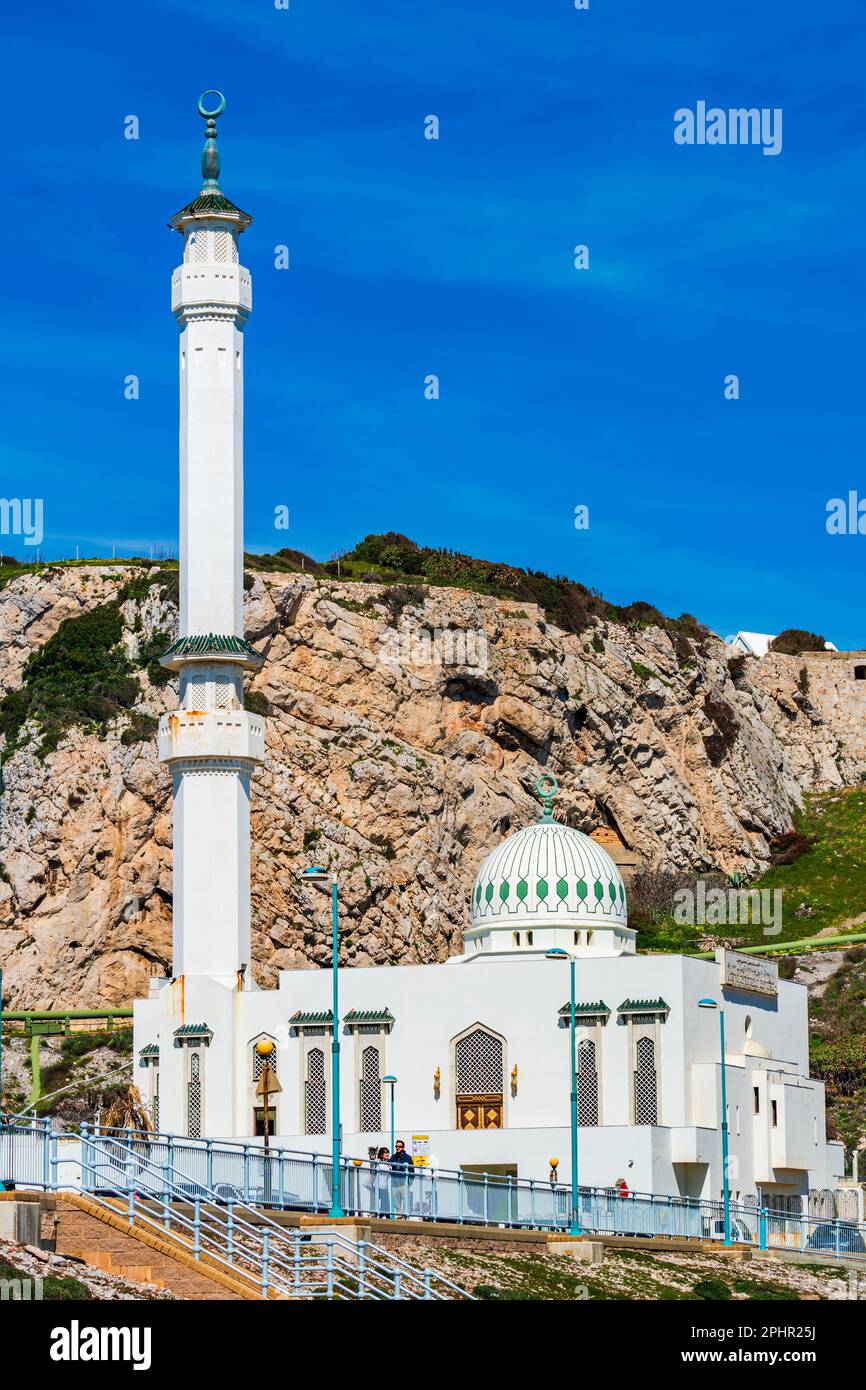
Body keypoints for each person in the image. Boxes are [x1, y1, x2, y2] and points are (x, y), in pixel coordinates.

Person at [390, 1139, 415, 1216]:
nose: (398, 1148)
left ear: (403, 1147)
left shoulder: (408, 1158)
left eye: (400, 1146)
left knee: (406, 1202)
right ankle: (399, 1218)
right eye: (396, 1146)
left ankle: (407, 1218)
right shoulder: (393, 1157)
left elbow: (412, 1171)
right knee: (397, 1204)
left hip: (404, 1184)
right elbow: (386, 1165)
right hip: (395, 1184)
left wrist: (409, 1183)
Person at [374, 1146, 391, 1215]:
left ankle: (385, 1216)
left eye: (388, 1153)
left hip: (385, 1186)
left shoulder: (389, 1164)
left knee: (385, 1203)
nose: (387, 1154)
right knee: (380, 1203)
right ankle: (379, 1215)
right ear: (381, 1155)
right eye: (385, 1153)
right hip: (378, 1186)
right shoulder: (378, 1162)